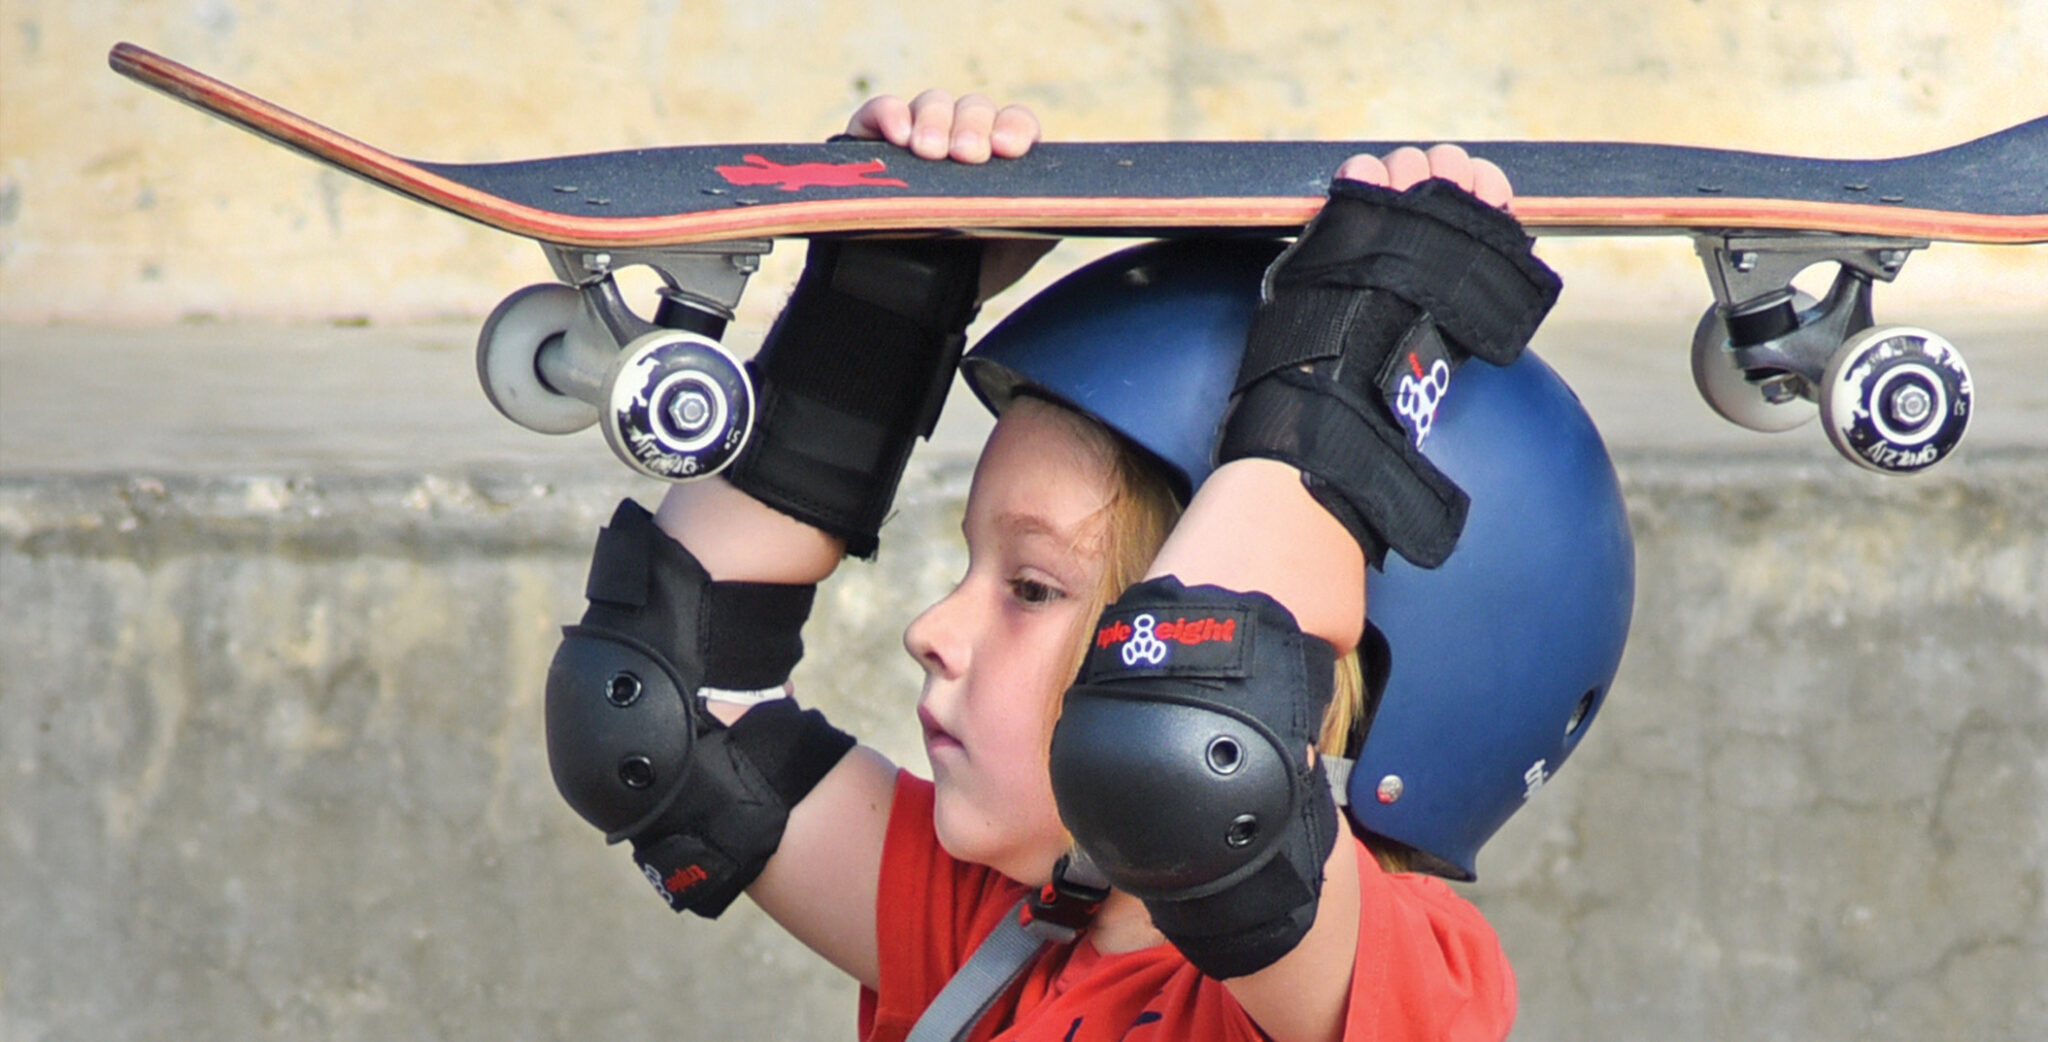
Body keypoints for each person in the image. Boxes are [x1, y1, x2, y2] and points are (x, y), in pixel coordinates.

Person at [539, 90, 1631, 1042]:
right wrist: (878, 314)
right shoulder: (996, 941)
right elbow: (662, 711)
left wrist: (1347, 385)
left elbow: (1194, 770)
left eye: (1031, 588)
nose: (931, 629)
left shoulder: (1392, 999)